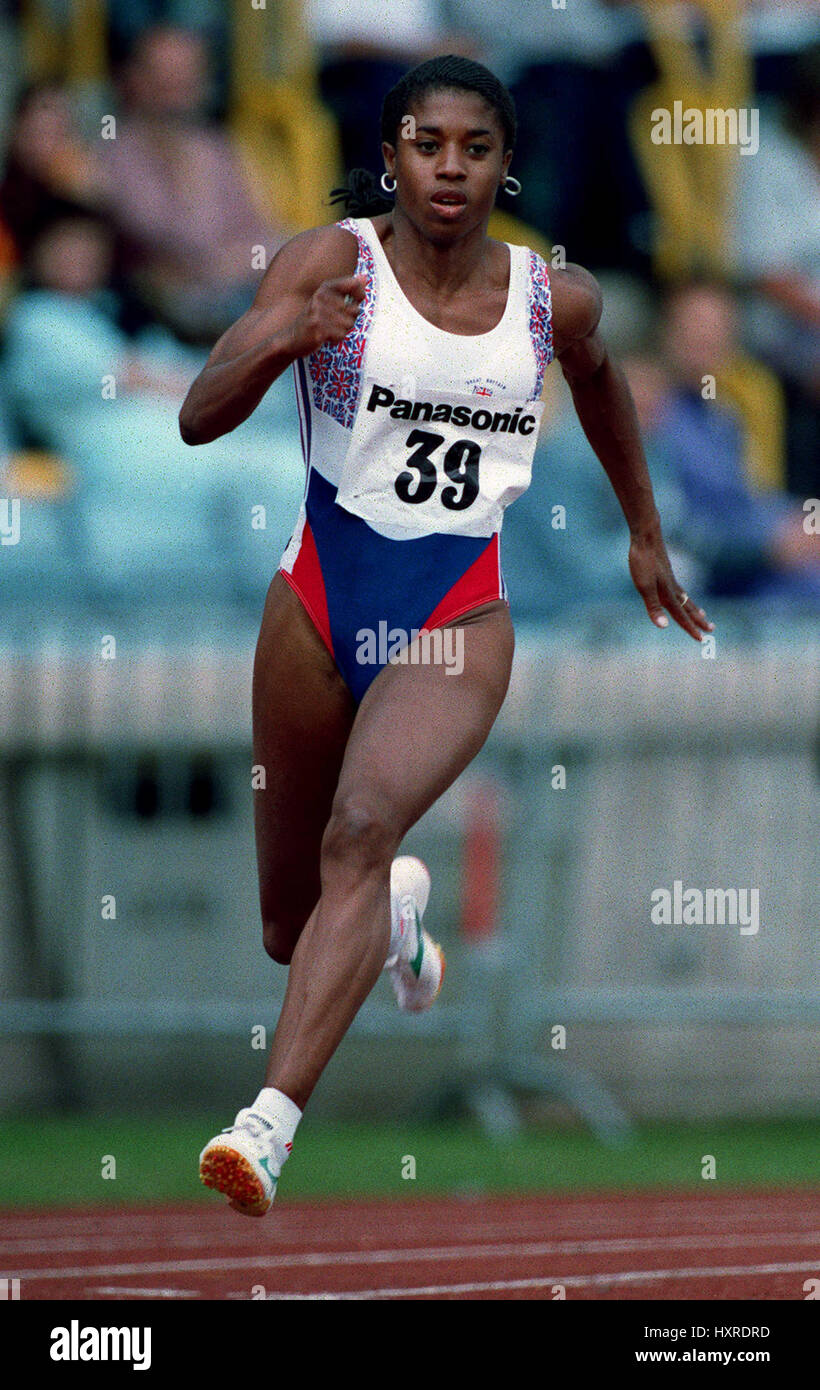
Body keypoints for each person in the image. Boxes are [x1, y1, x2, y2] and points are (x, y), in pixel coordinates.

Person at [179, 54, 712, 1217]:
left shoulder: (549, 297)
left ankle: (265, 1128)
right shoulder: (332, 265)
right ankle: (400, 918)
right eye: (428, 146)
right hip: (317, 597)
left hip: (453, 611)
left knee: (360, 826)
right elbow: (194, 415)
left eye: (475, 150)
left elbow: (604, 375)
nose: (451, 169)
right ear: (392, 157)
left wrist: (642, 532)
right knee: (291, 924)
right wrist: (281, 338)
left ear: (504, 164)